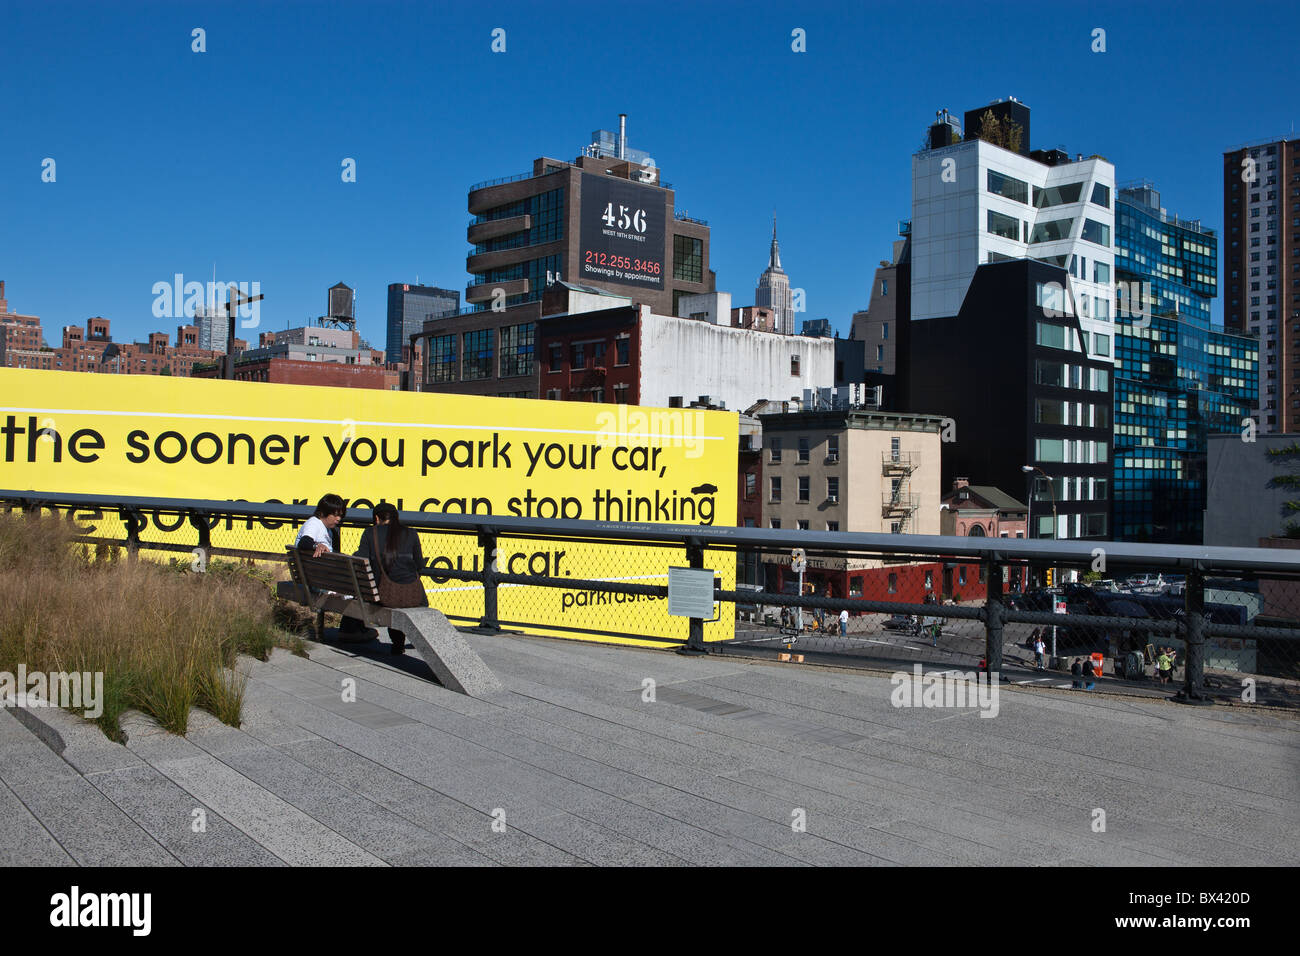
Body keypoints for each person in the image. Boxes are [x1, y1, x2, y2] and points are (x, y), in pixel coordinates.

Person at [356, 503, 428, 655]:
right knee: (408, 596)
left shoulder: (370, 533)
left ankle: (397, 643)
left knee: (391, 596)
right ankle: (410, 642)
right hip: (414, 595)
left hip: (382, 595)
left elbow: (361, 561)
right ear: (396, 518)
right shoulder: (411, 533)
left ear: (376, 518)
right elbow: (420, 564)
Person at [295, 494, 366, 638]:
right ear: (323, 513)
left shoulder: (326, 529)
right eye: (335, 515)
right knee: (361, 585)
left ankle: (353, 629)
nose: (338, 519)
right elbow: (304, 543)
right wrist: (317, 545)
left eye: (340, 515)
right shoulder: (314, 524)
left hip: (319, 579)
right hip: (319, 582)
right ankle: (351, 630)